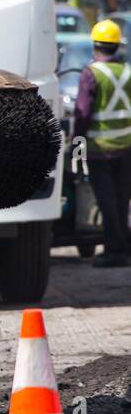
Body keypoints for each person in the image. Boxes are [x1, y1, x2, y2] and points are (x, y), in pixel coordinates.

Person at [74, 19, 131, 268]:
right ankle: (123, 248)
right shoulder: (128, 71)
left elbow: (83, 113)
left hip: (100, 150)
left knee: (107, 202)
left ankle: (115, 251)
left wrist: (76, 142)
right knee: (121, 200)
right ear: (117, 45)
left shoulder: (92, 73)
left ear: (95, 44)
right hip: (126, 148)